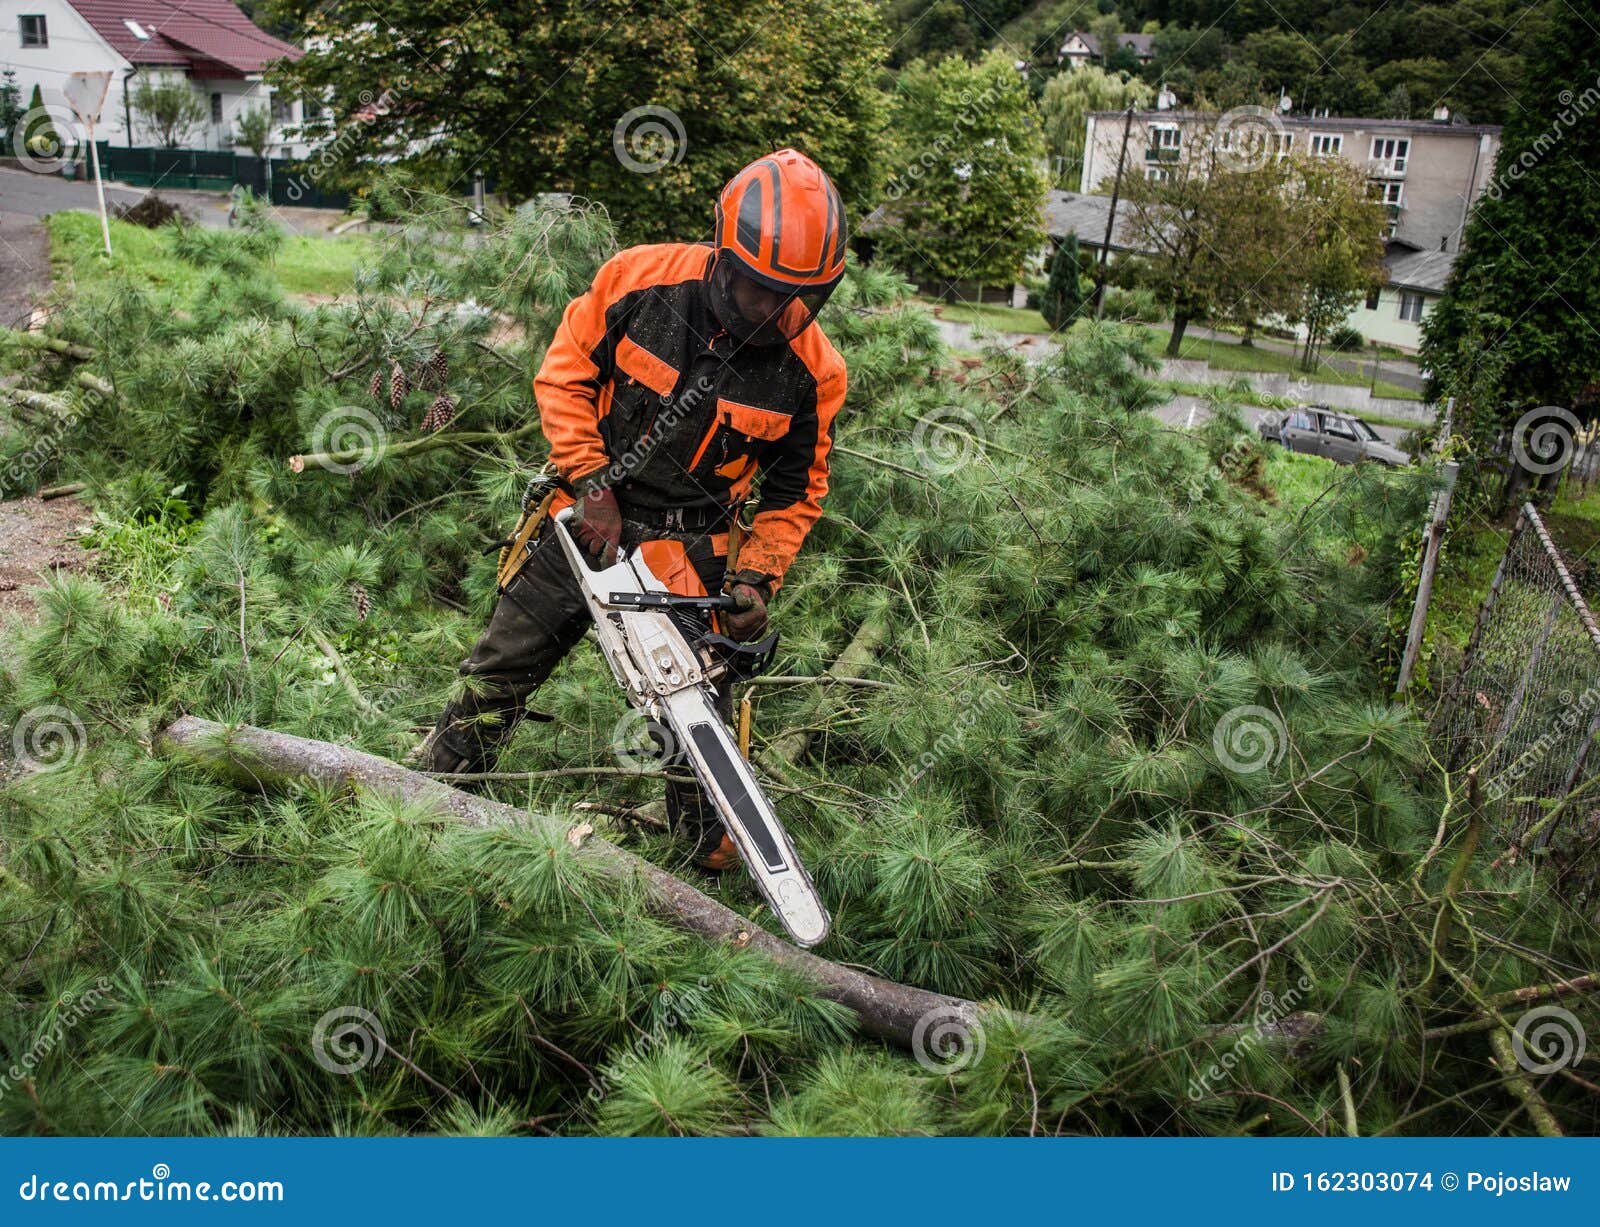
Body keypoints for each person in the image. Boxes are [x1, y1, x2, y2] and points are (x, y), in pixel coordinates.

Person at [420, 148, 849, 871]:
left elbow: (795, 491)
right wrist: (591, 480)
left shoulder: (813, 369)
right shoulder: (640, 282)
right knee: (498, 674)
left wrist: (756, 580)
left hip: (691, 553)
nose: (777, 311)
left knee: (695, 737)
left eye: (798, 297)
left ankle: (703, 869)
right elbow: (564, 376)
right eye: (762, 291)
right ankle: (431, 800)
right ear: (727, 256)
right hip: (588, 522)